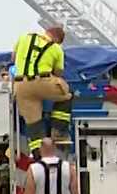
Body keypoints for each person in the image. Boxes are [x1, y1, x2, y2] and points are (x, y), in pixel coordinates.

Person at [12, 20, 72, 152]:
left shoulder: (24, 37)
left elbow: (13, 58)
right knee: (67, 94)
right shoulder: (56, 48)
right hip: (43, 82)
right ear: (58, 39)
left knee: (33, 125)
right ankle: (58, 130)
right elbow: (58, 72)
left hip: (20, 86)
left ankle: (38, 156)